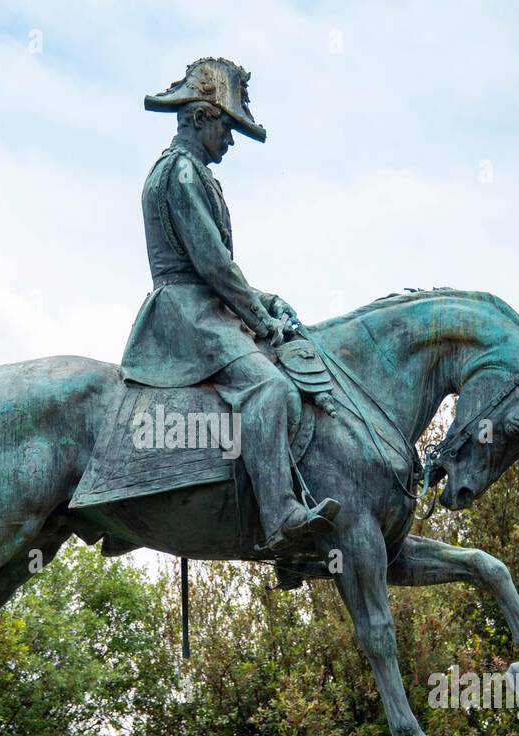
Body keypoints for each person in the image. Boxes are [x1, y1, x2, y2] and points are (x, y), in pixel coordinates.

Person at [121, 57, 340, 550]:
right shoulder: (178, 173)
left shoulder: (192, 172)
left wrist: (268, 300)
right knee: (270, 389)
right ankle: (281, 515)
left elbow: (218, 268)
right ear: (200, 118)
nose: (231, 140)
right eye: (227, 126)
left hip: (203, 306)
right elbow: (214, 266)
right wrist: (259, 318)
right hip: (186, 315)